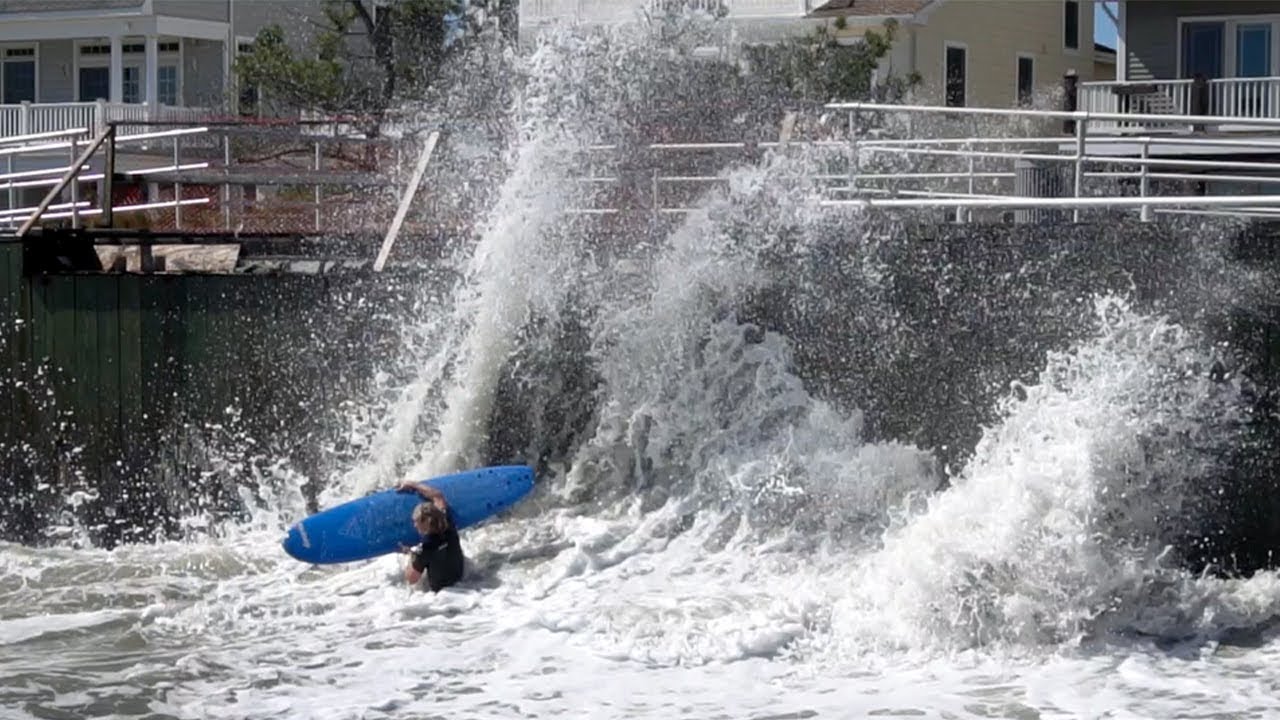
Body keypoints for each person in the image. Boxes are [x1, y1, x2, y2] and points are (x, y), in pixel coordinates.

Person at [395, 480, 465, 592]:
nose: (414, 525)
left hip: (443, 595)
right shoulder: (447, 521)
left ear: (426, 522)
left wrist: (411, 555)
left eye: (416, 522)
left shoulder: (424, 549)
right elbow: (438, 496)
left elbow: (411, 579)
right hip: (463, 583)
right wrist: (414, 485)